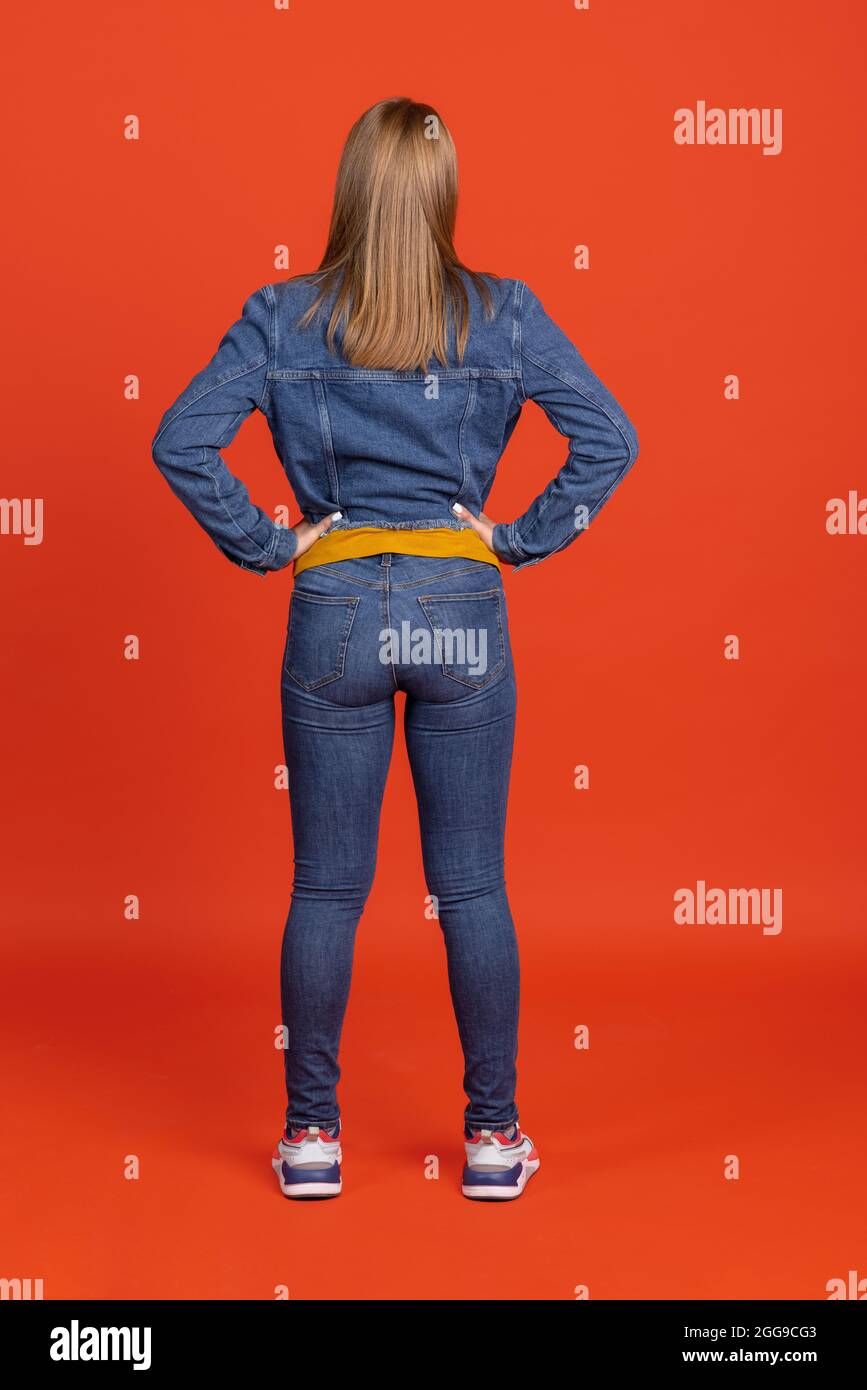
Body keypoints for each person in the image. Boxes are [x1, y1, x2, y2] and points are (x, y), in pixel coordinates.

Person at [151, 96, 639, 1202]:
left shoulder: (280, 316)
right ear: (445, 194)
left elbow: (178, 437)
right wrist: (513, 541)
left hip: (333, 614)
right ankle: (493, 1139)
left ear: (349, 194)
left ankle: (312, 1139)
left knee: (327, 888)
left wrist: (271, 545)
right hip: (462, 611)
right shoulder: (505, 315)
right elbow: (615, 436)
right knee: (470, 886)